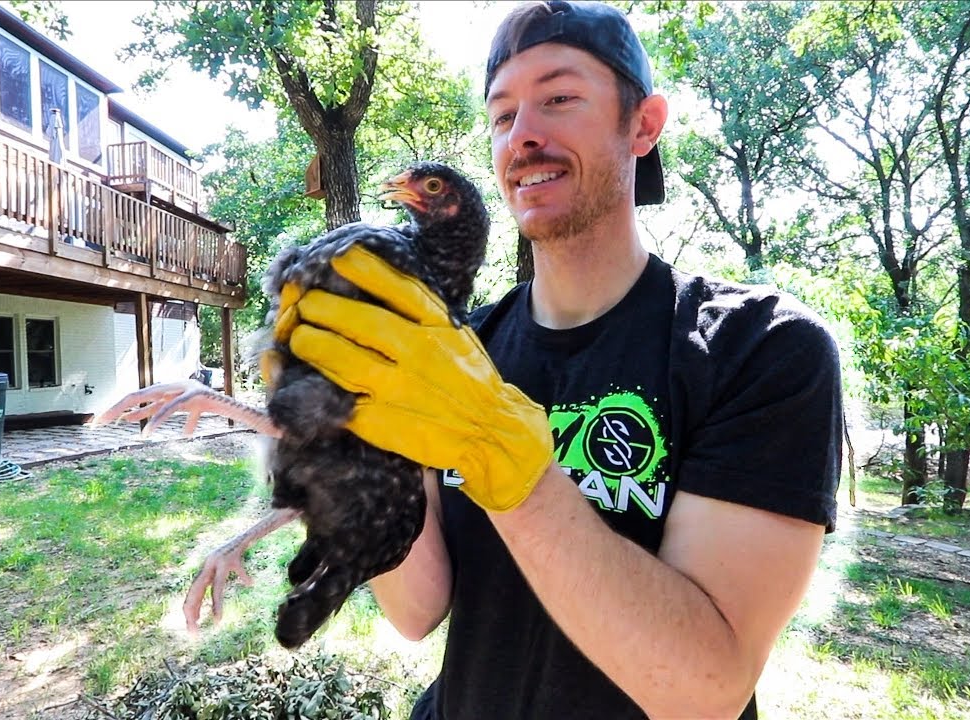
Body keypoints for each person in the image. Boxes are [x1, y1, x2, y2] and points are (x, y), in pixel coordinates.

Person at [188, 2, 843, 718]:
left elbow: (704, 691)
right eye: (503, 117)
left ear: (644, 124)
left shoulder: (760, 349)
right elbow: (418, 609)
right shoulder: (452, 349)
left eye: (560, 98)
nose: (523, 136)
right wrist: (348, 446)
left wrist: (509, 461)